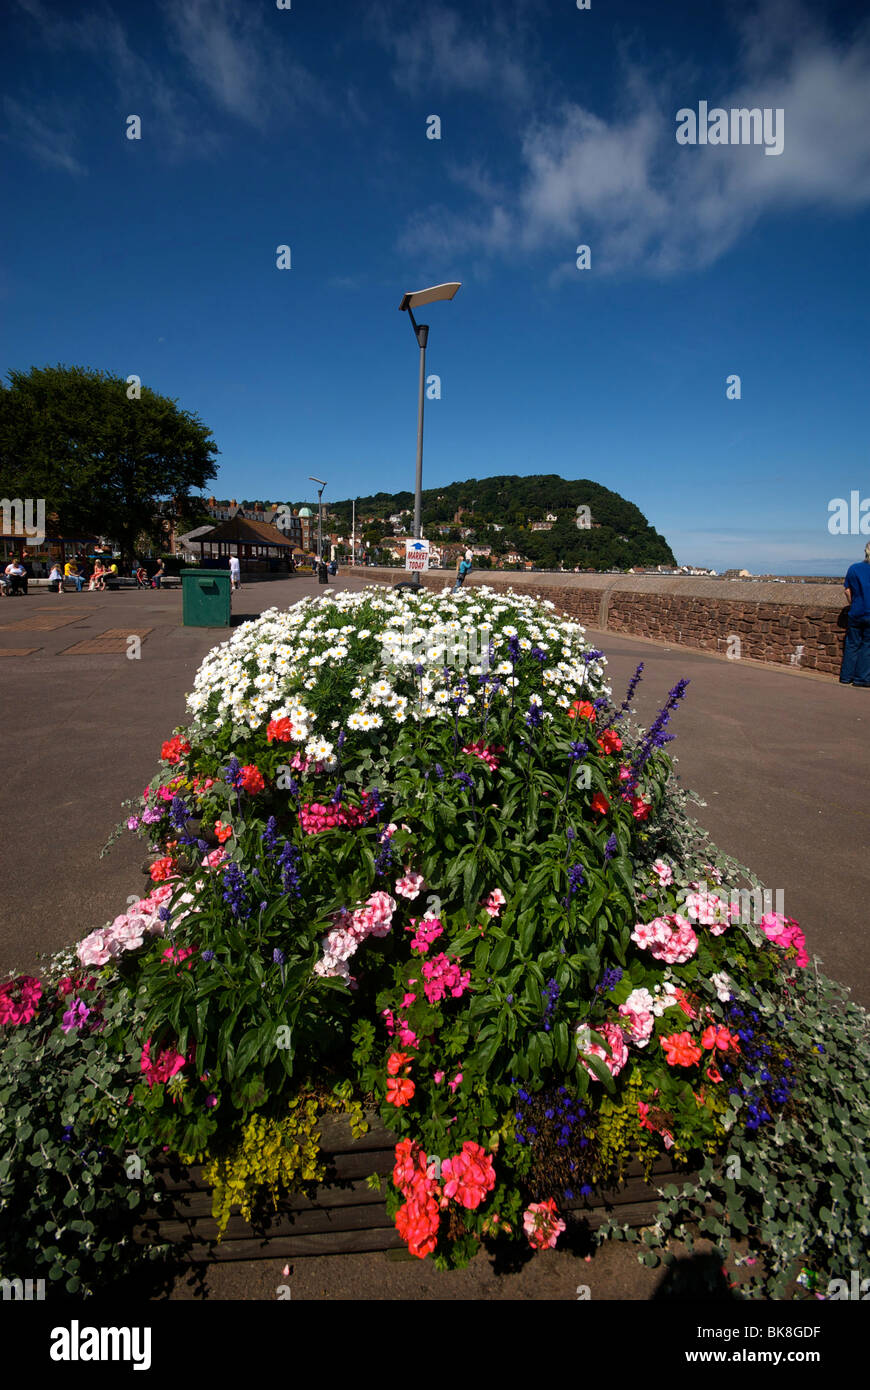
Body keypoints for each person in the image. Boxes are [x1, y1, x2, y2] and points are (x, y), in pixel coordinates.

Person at [839, 541, 870, 687]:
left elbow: (847, 590)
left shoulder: (854, 568)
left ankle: (846, 676)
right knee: (867, 646)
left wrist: (854, 603)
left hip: (856, 612)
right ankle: (861, 678)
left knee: (852, 645)